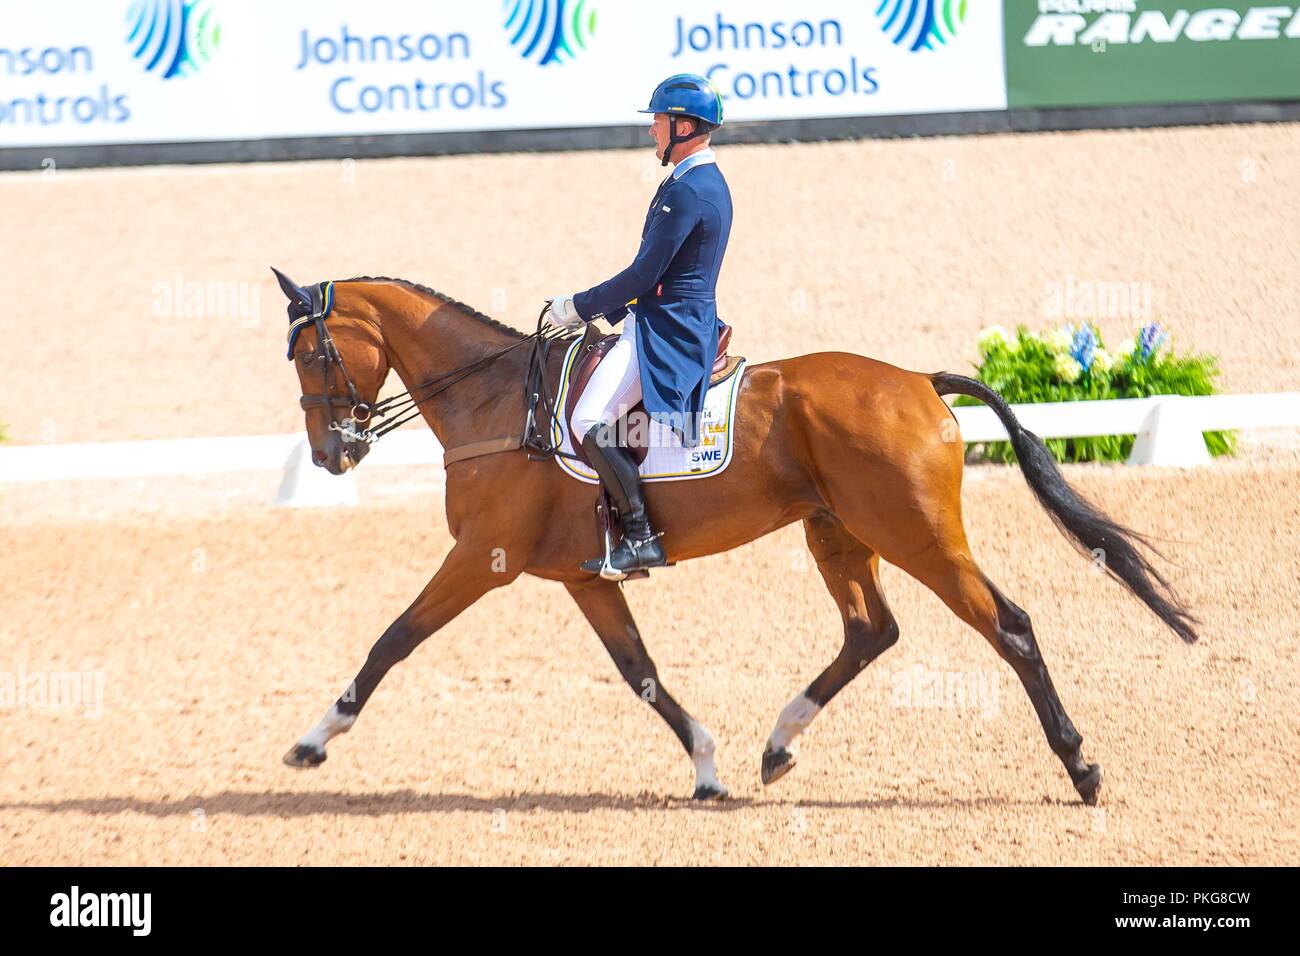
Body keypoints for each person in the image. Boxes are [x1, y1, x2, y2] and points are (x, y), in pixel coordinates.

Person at [548, 73, 733, 578]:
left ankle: (639, 536)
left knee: (586, 419)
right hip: (660, 314)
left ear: (684, 126)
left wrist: (577, 306)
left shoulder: (692, 189)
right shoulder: (687, 181)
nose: (652, 129)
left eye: (658, 121)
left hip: (667, 327)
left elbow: (644, 274)